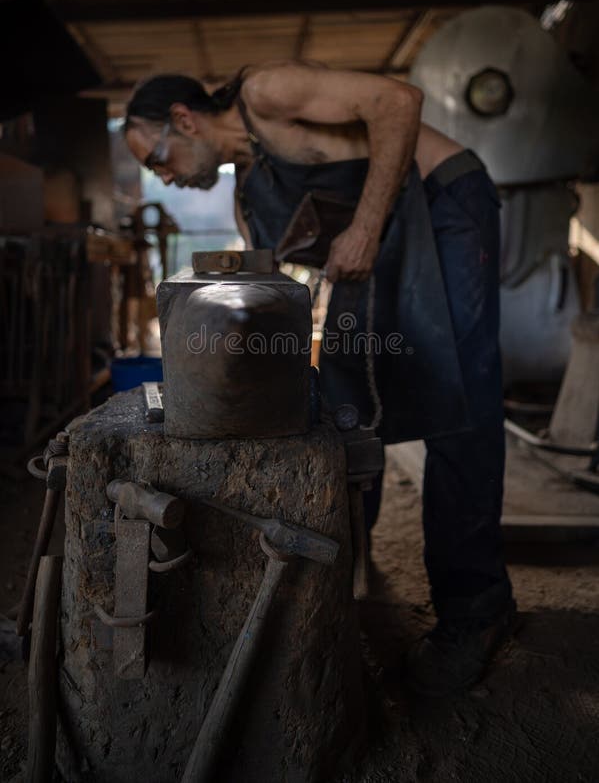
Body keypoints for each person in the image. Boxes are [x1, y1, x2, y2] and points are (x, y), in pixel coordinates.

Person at [124, 60, 516, 697]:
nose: (164, 177)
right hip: (384, 230)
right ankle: (345, 582)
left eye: (157, 159)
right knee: (346, 401)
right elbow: (271, 285)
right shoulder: (250, 190)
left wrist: (363, 230)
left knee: (457, 398)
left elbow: (399, 101)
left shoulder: (266, 92)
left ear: (184, 119)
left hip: (443, 201)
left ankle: (477, 610)